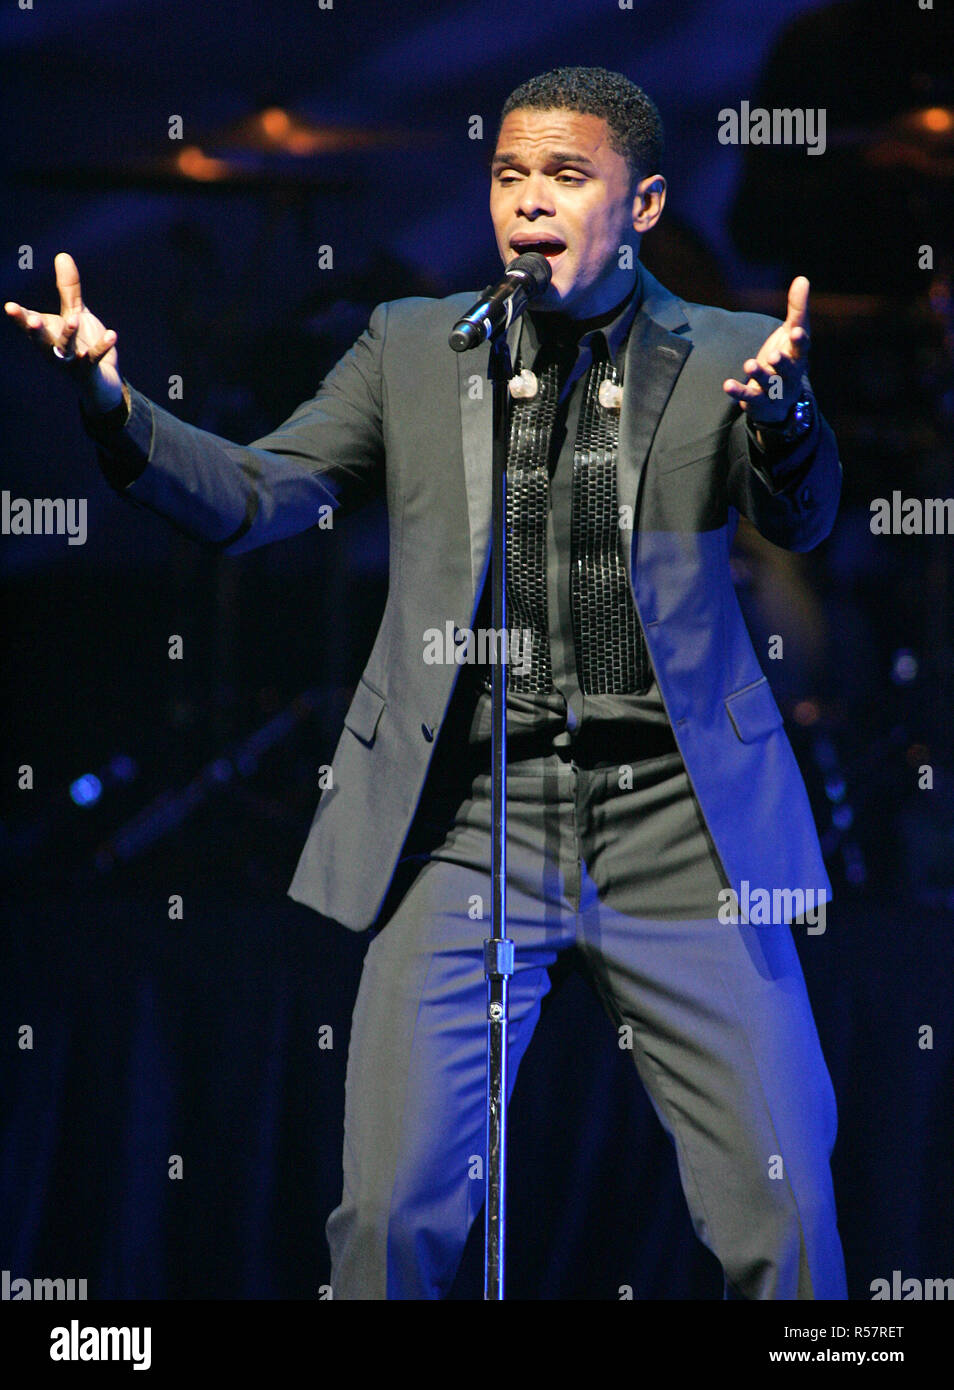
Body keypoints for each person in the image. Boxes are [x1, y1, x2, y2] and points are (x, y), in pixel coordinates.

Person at [5, 66, 847, 1300]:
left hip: (685, 825)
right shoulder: (415, 344)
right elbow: (256, 494)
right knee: (392, 1220)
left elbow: (803, 514)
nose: (530, 202)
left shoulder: (728, 351)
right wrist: (111, 404)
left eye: (567, 175)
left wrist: (786, 423)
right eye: (510, 175)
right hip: (469, 822)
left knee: (789, 1214)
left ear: (647, 203)